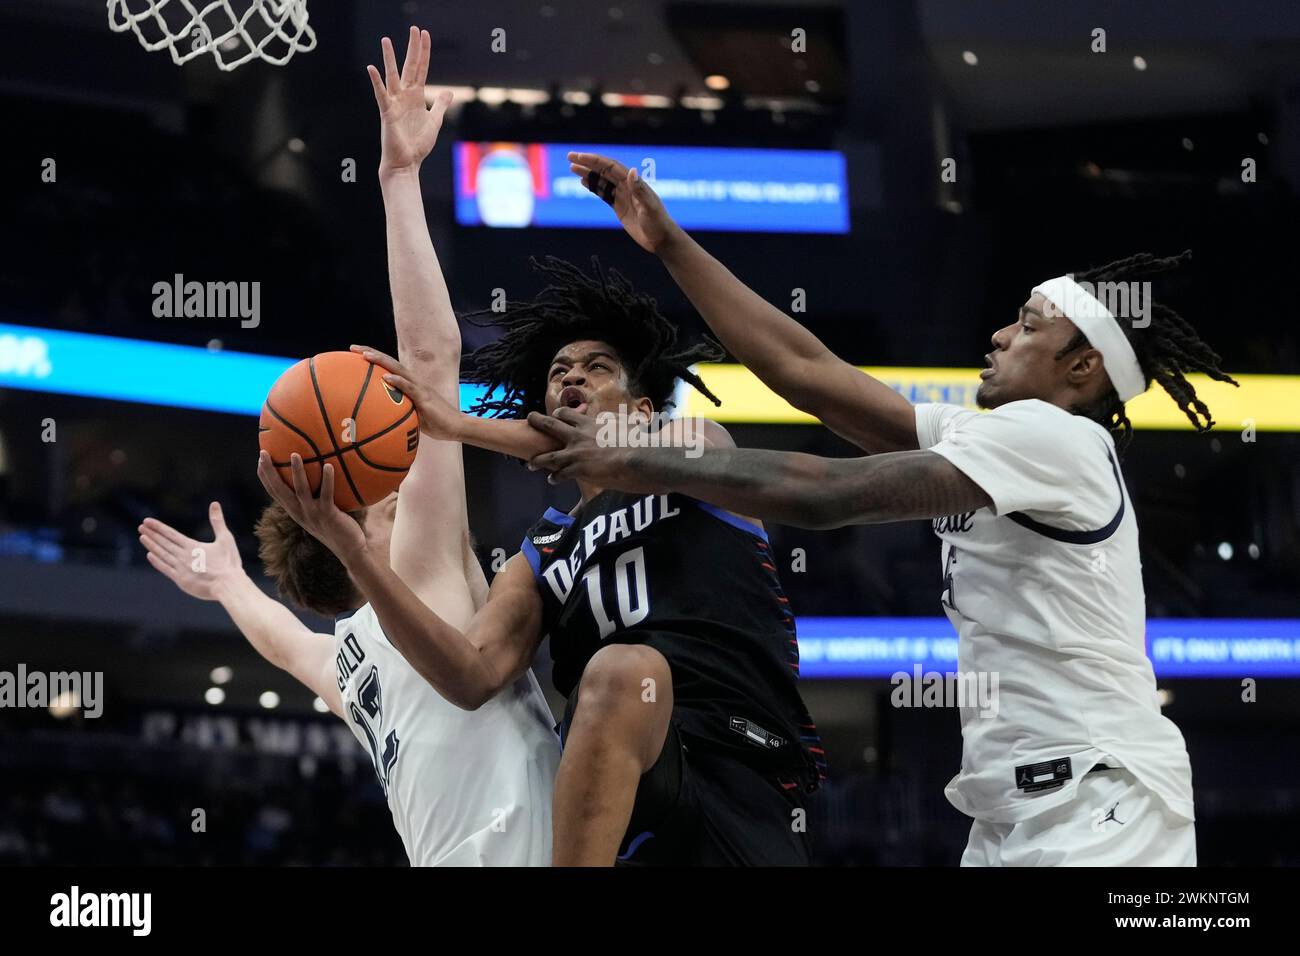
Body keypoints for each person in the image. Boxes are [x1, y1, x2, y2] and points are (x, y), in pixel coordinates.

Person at [528, 152, 1241, 866]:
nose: (998, 335)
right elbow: (805, 372)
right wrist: (669, 244)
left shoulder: (1059, 439)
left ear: (1081, 369)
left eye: (1026, 327)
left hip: (1099, 805)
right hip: (1018, 812)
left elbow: (827, 494)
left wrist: (630, 457)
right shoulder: (990, 437)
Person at [142, 28, 558, 867]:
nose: (398, 480)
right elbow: (433, 364)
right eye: (379, 491)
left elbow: (282, 640)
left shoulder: (355, 667)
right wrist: (399, 180)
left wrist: (228, 585)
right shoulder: (416, 568)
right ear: (354, 528)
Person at [279, 255, 826, 866]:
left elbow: (614, 450)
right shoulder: (541, 553)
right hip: (629, 784)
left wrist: (458, 426)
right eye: (560, 371)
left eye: (598, 368)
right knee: (619, 674)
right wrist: (358, 556)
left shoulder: (695, 449)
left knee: (625, 672)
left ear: (643, 411)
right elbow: (467, 676)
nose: (573, 378)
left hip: (740, 758)